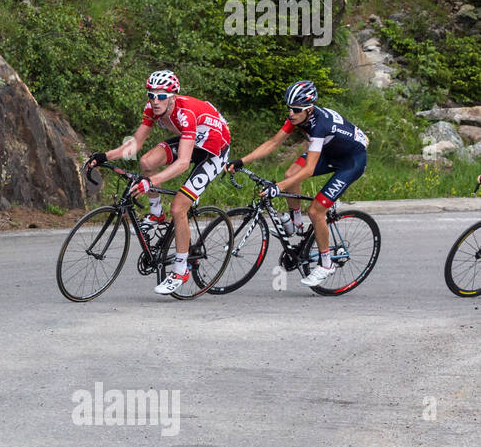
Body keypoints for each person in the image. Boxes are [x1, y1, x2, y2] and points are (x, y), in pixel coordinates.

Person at [84, 69, 232, 295]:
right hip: (192, 141)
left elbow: (183, 163)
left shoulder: (185, 114)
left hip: (214, 151)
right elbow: (134, 144)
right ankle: (156, 213)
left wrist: (150, 182)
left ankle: (181, 269)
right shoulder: (151, 109)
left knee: (179, 206)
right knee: (146, 162)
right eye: (151, 95)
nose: (155, 100)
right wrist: (104, 156)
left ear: (173, 97)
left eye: (161, 96)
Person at [229, 80, 369, 287]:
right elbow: (273, 143)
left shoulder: (320, 124)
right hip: (330, 152)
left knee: (315, 211)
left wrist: (279, 187)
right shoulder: (298, 117)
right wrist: (241, 161)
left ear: (309, 109)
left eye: (296, 110)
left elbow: (309, 170)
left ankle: (326, 263)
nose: (291, 114)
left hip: (351, 161)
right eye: (289, 109)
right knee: (290, 172)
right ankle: (296, 223)